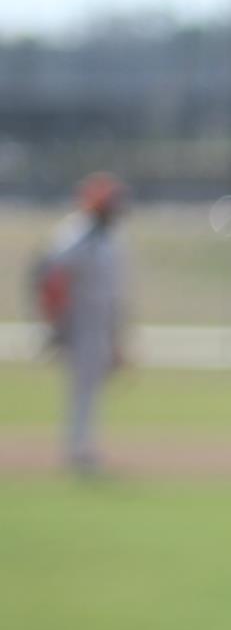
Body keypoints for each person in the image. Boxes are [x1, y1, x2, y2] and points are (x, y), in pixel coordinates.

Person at [35, 172, 130, 476]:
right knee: (82, 385)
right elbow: (51, 275)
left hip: (99, 320)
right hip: (78, 319)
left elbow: (115, 292)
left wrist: (117, 335)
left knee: (91, 385)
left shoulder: (110, 238)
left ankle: (82, 444)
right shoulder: (75, 234)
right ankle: (77, 449)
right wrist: (55, 322)